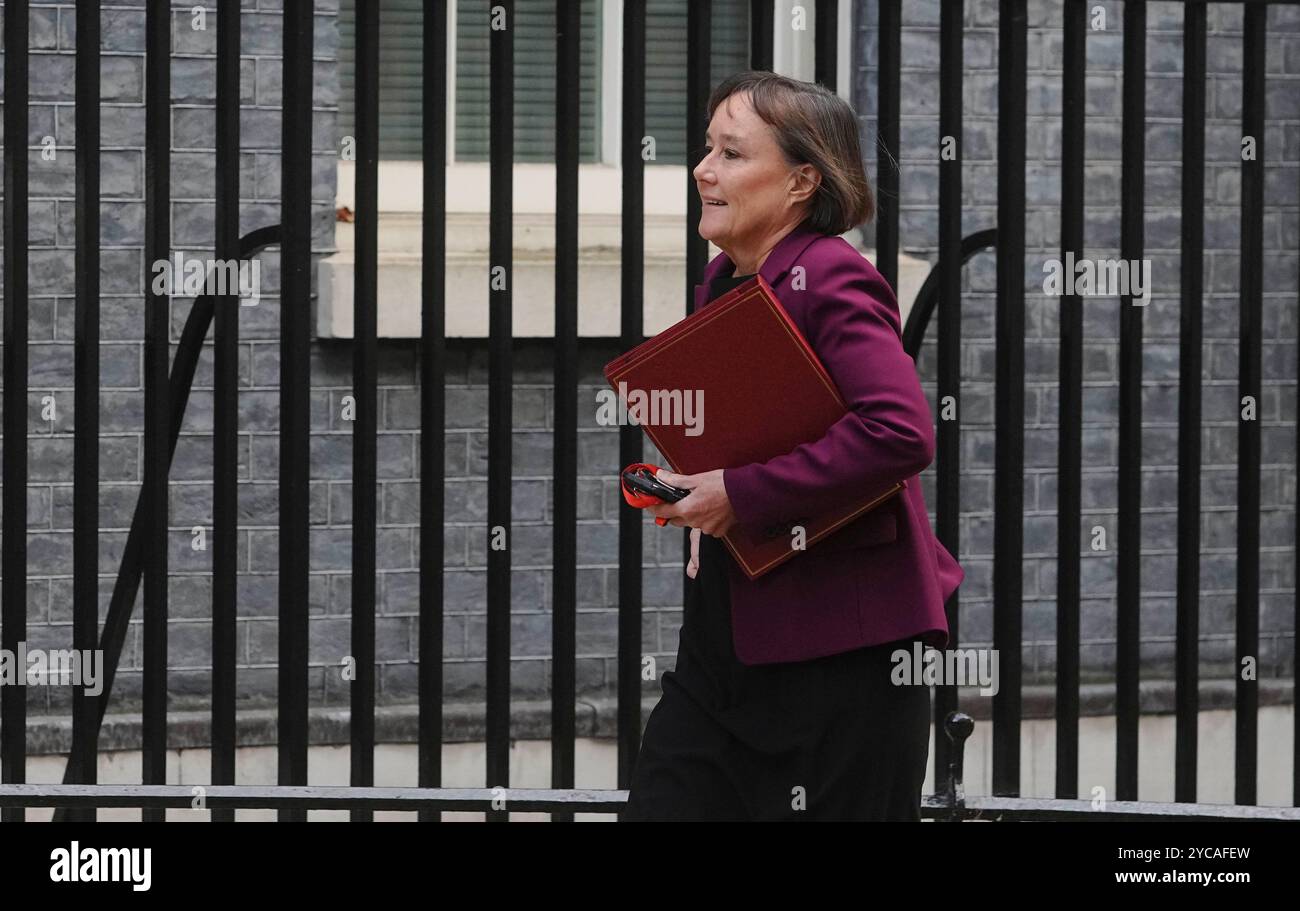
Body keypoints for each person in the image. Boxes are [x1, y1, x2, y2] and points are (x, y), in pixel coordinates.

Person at [620, 71, 963, 822]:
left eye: (731, 154)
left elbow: (900, 430)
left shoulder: (836, 275)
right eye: (706, 148)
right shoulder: (725, 281)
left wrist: (739, 495)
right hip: (726, 649)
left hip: (842, 655)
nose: (703, 170)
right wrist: (699, 497)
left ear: (803, 179)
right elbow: (763, 431)